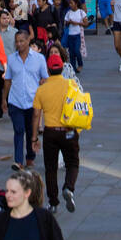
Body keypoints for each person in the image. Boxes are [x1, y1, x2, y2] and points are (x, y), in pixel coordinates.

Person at [32, 48, 80, 214]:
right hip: (69, 130)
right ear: (62, 67)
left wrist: (34, 138)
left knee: (50, 168)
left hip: (50, 132)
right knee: (72, 163)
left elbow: (36, 114)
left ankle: (53, 202)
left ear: (48, 69)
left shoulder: (42, 89)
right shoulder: (71, 84)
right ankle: (69, 187)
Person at [3, 28, 49, 169]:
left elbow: (46, 78)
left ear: (28, 40)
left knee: (30, 130)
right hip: (15, 100)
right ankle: (18, 161)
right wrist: (3, 99)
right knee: (18, 129)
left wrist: (43, 83)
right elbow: (8, 80)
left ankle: (30, 156)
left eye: (22, 41)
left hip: (32, 101)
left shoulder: (39, 59)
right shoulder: (11, 59)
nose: (19, 44)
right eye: (17, 42)